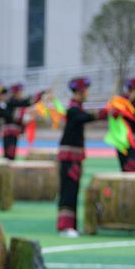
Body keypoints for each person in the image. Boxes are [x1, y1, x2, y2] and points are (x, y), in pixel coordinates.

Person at [57, 76, 107, 236]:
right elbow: (84, 117)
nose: (88, 92)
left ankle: (71, 225)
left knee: (74, 189)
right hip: (69, 157)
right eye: (86, 89)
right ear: (80, 91)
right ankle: (65, 226)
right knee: (68, 190)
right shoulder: (73, 109)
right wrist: (105, 112)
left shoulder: (77, 107)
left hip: (74, 157)